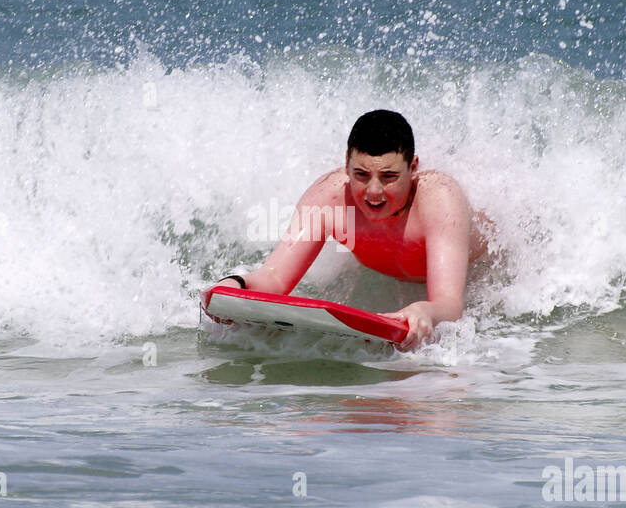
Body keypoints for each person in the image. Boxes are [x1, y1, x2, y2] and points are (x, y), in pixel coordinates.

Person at [210, 109, 490, 348]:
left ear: (413, 167)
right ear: (346, 164)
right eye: (362, 175)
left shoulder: (439, 198)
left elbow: (450, 304)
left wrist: (424, 311)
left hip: (484, 274)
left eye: (389, 177)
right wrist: (236, 285)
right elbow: (275, 278)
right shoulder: (329, 197)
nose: (374, 192)